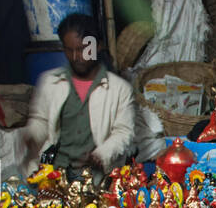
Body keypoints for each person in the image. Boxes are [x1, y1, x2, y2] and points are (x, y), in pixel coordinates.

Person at [24, 14, 135, 179]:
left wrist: (101, 155)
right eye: (69, 50)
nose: (76, 57)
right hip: (55, 173)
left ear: (98, 46)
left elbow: (124, 132)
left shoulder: (119, 89)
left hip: (96, 176)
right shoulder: (50, 82)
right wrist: (31, 136)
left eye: (83, 49)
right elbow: (41, 120)